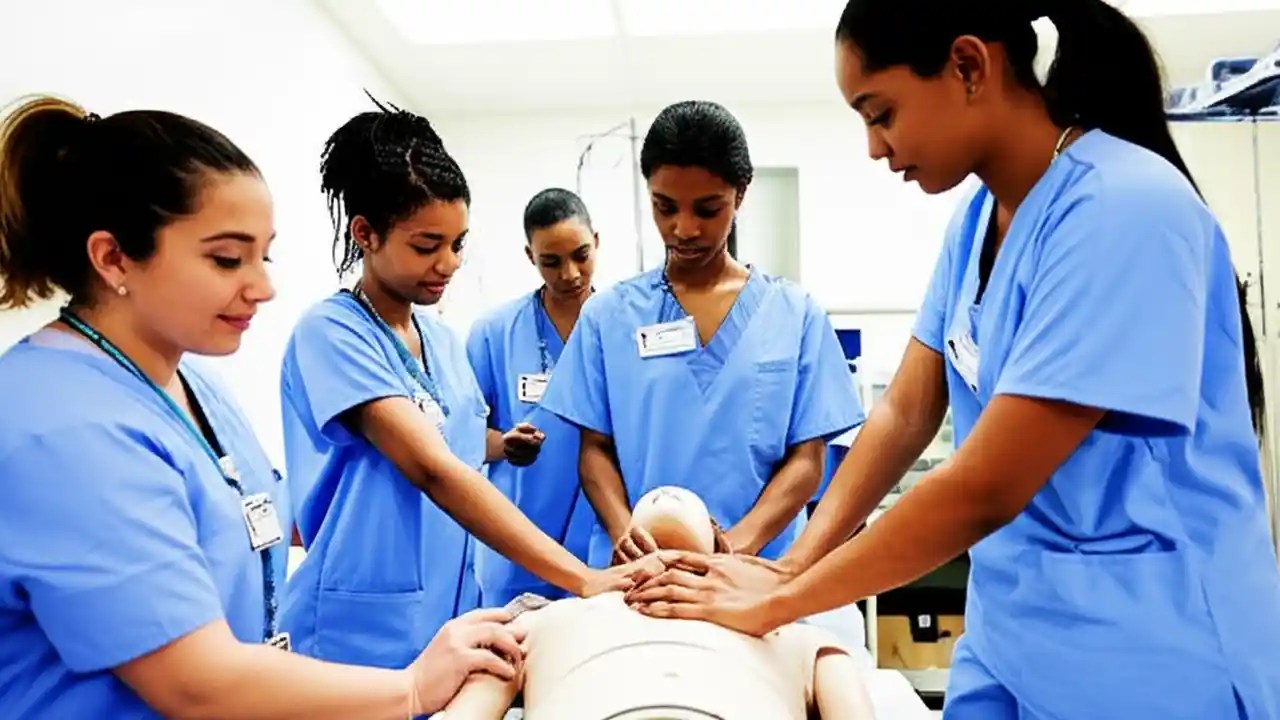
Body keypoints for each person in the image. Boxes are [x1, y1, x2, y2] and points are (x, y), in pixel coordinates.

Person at [628, 2, 1280, 719]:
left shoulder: (1126, 208)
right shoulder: (977, 223)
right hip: (1015, 630)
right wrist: (789, 562)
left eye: (881, 114)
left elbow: (986, 486)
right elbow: (906, 412)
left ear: (968, 66)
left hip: (1153, 646)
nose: (875, 147)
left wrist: (781, 600)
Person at [0, 94, 525, 719]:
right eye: (227, 258)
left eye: (263, 254)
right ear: (113, 257)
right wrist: (411, 687)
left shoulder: (193, 387)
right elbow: (197, 684)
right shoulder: (60, 425)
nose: (264, 286)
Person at [279, 98, 645, 670]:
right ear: (366, 234)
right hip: (360, 626)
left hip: (447, 618)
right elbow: (432, 466)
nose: (448, 264)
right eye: (427, 246)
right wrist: (584, 579)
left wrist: (503, 445)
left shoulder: (444, 342)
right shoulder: (331, 332)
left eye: (457, 244)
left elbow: (464, 446)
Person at [540, 100, 865, 569]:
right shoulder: (608, 317)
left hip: (754, 574)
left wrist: (736, 546)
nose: (684, 228)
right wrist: (623, 529)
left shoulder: (794, 315)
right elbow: (595, 452)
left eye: (708, 209)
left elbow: (807, 459)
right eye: (664, 207)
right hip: (641, 573)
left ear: (741, 194)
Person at [435, 486, 877, 720]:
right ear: (616, 547)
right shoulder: (543, 620)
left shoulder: (791, 631)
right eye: (649, 499)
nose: (667, 494)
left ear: (722, 549)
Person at [465, 188, 601, 606]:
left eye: (581, 255)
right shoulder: (494, 333)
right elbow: (459, 436)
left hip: (599, 550)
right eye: (551, 262)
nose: (570, 274)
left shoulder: (621, 329)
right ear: (530, 256)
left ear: (597, 241)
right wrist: (502, 445)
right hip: (517, 551)